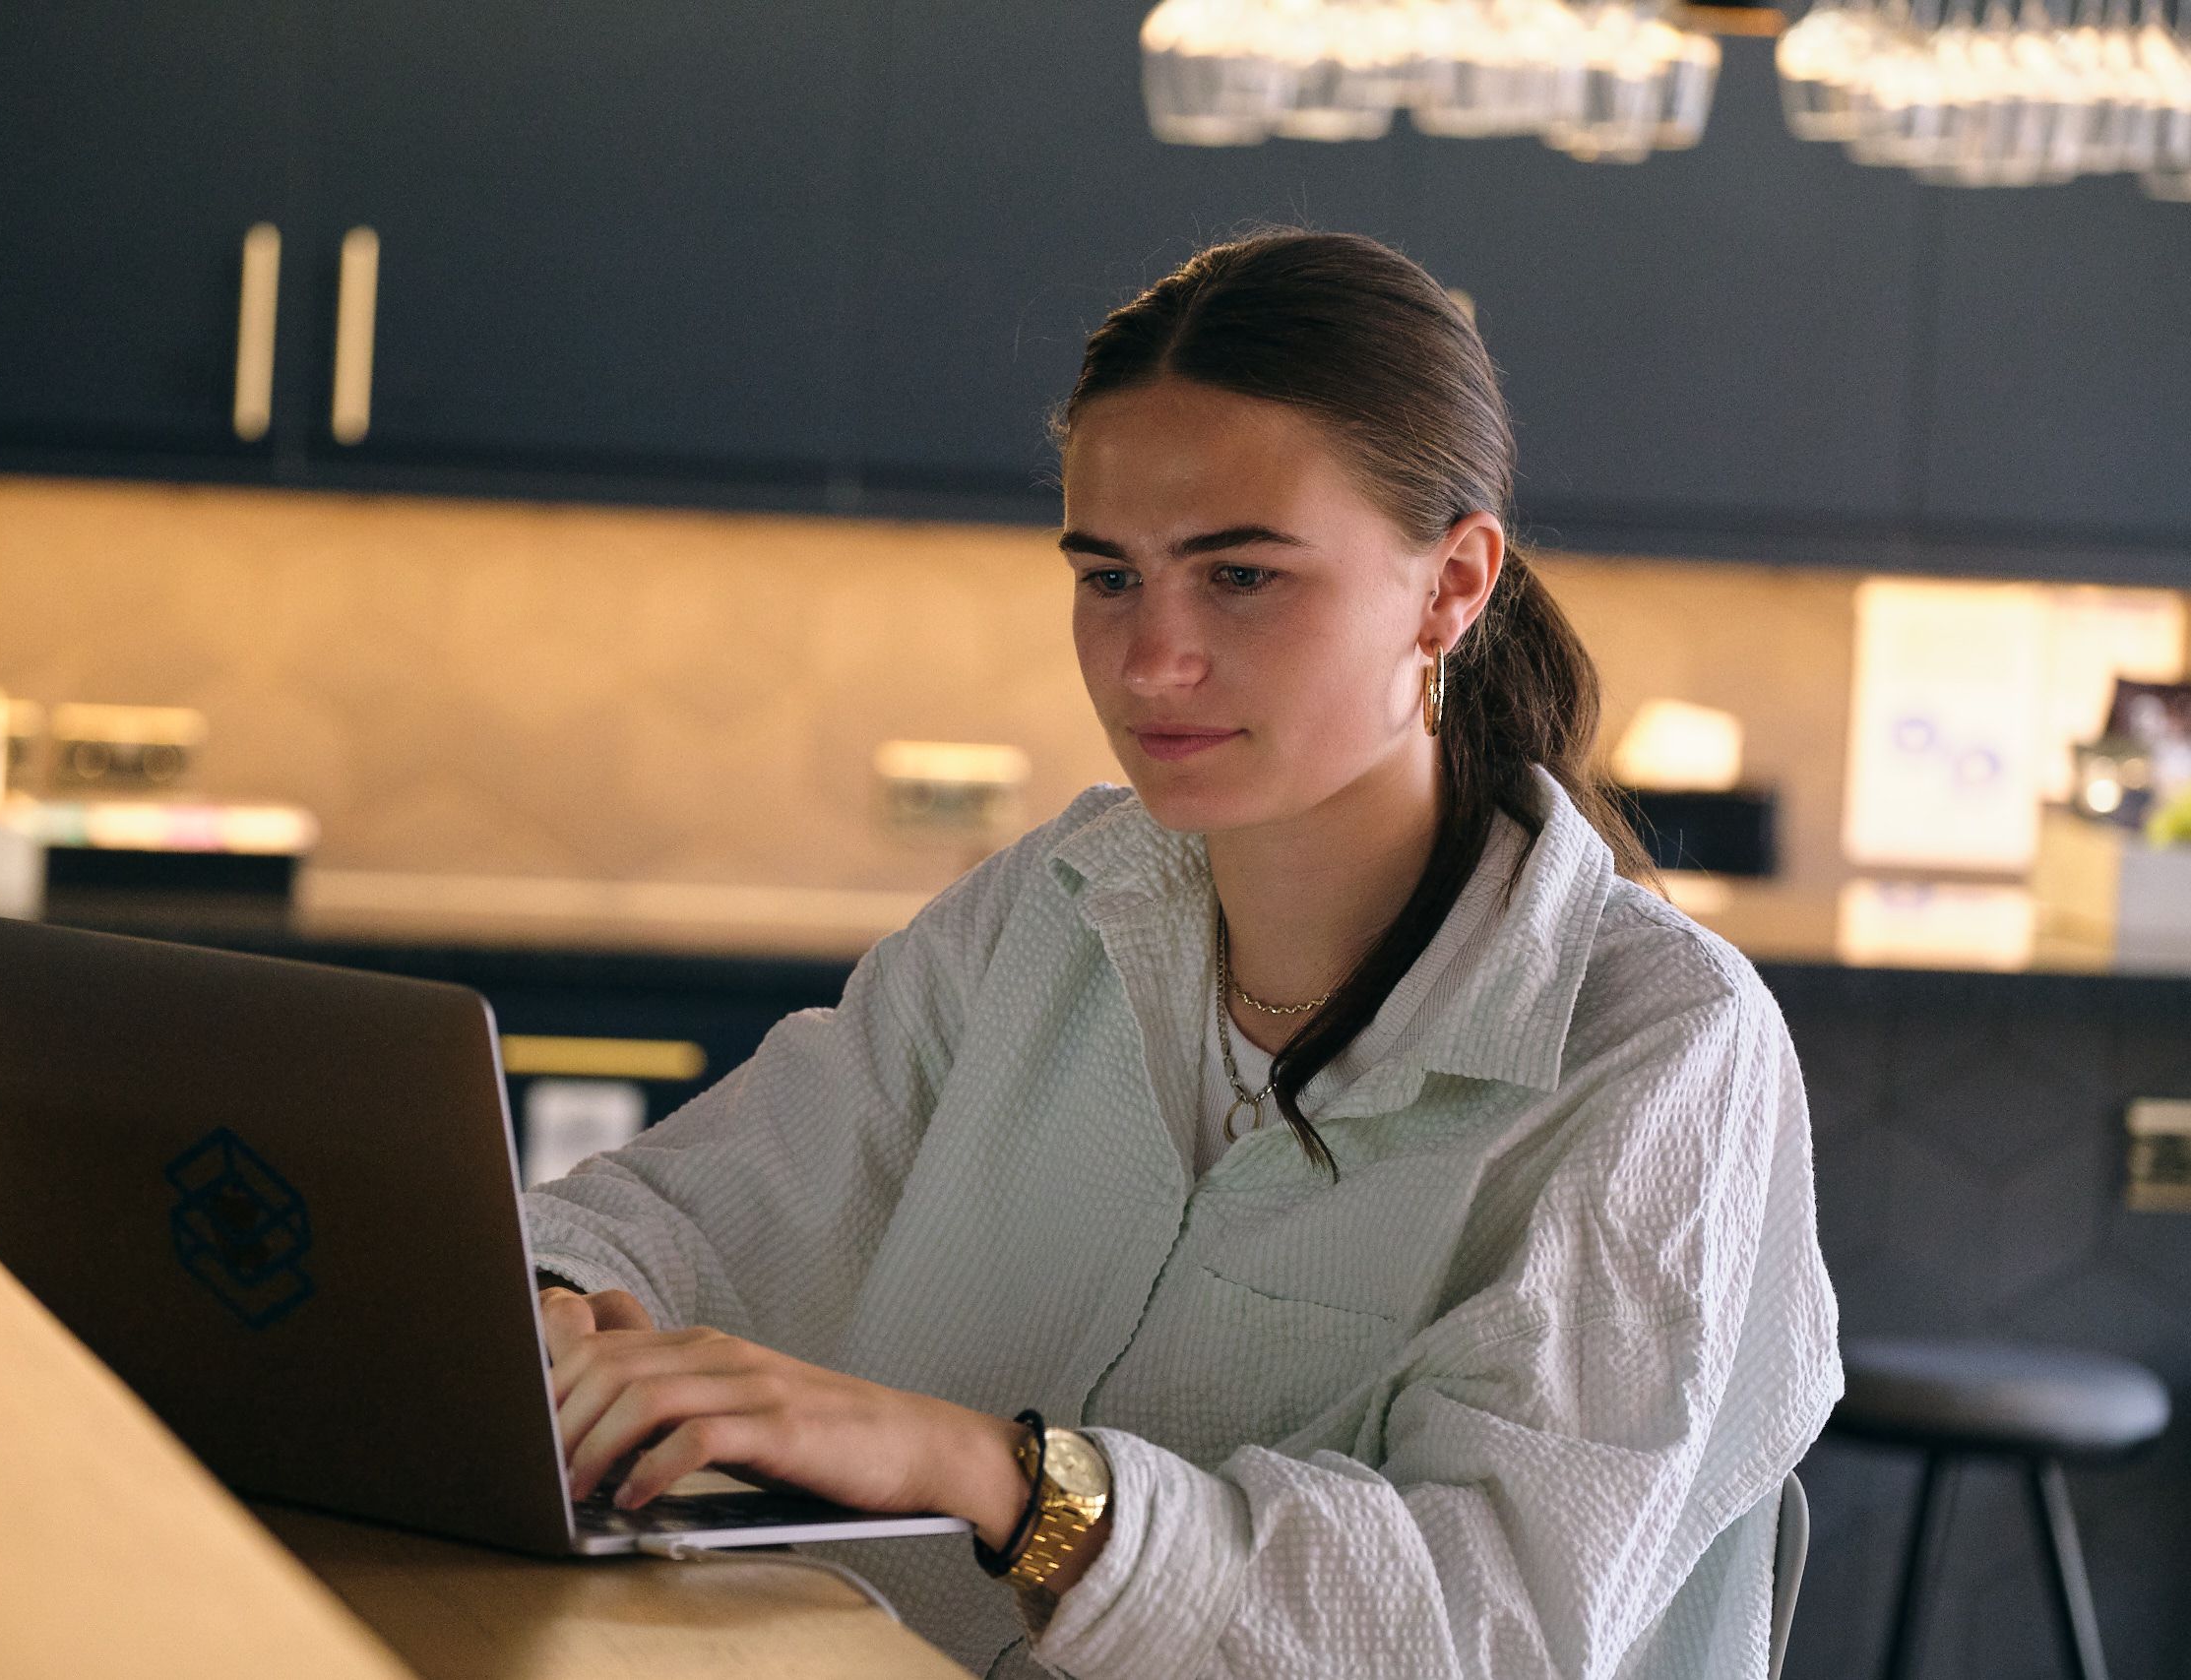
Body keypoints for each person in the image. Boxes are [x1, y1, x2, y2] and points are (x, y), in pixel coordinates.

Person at [524, 228, 1842, 1679]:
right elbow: (693, 1219)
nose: (1152, 660)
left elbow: (1488, 1624)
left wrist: (1003, 1481)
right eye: (1107, 577)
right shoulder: (1058, 902)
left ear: (1452, 584)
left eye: (1243, 578)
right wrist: (553, 1304)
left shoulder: (1661, 1045)